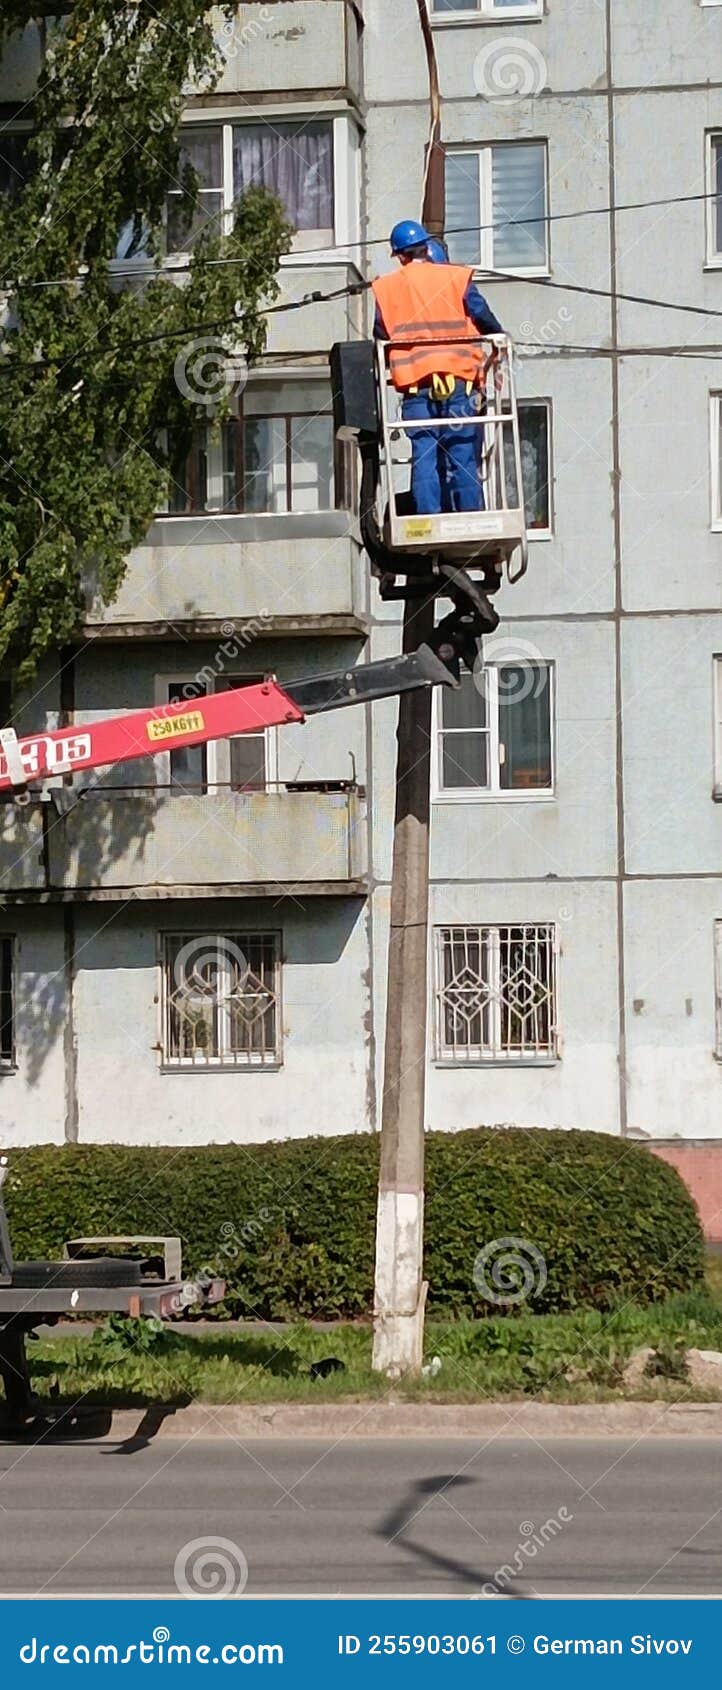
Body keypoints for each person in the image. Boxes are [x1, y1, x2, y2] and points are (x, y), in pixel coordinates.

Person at [372, 219, 503, 516]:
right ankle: (470, 517)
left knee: (424, 457)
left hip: (418, 390)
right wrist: (498, 336)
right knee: (462, 455)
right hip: (460, 386)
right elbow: (481, 313)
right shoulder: (455, 277)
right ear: (426, 248)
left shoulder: (387, 288)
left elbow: (380, 335)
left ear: (401, 256)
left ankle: (428, 521)